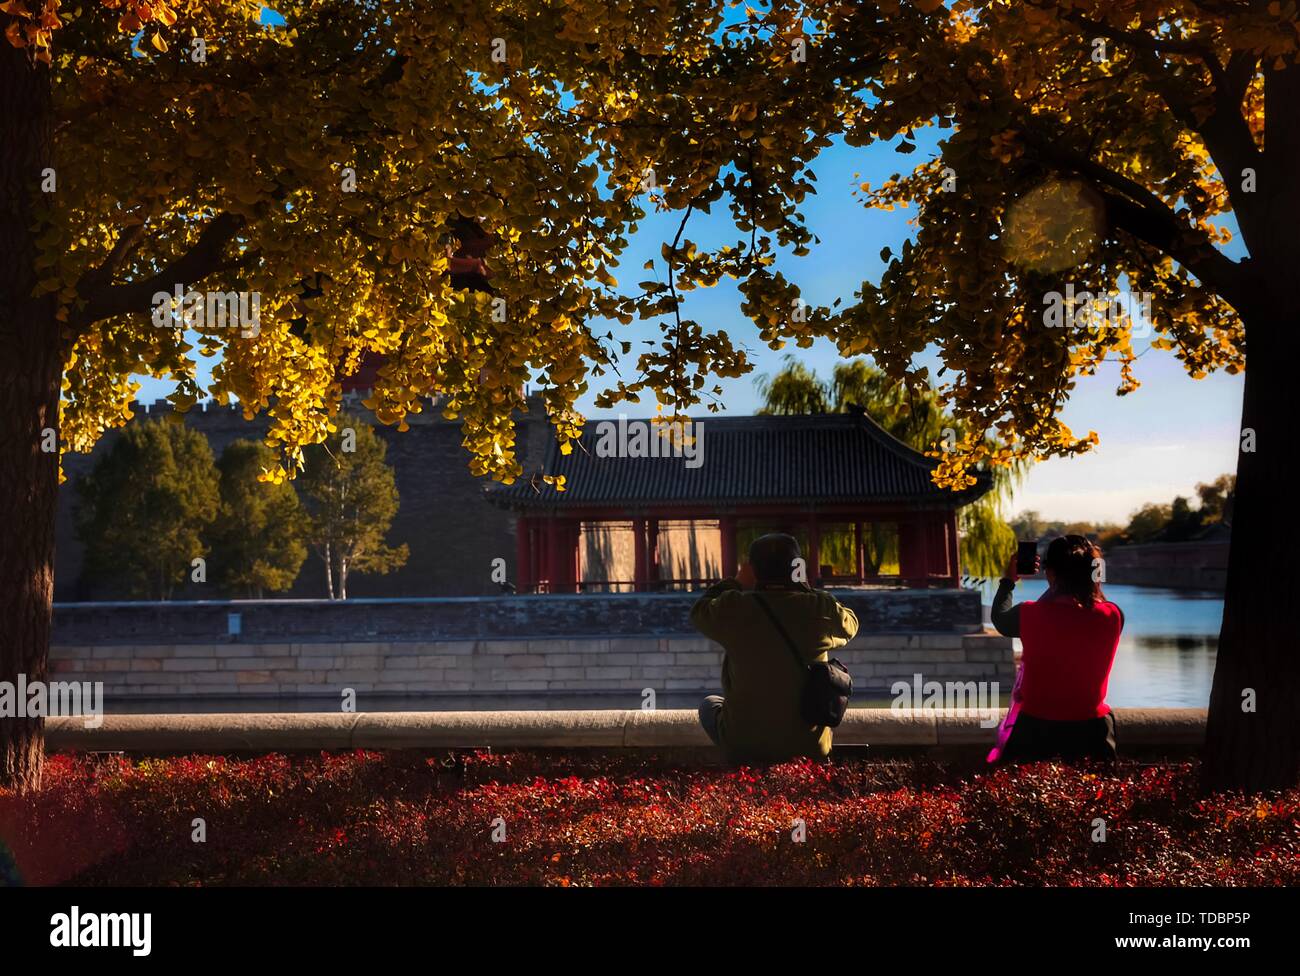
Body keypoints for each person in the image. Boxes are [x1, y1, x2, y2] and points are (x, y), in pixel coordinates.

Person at [691, 533, 859, 763]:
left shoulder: (733, 608)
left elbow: (699, 610)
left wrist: (736, 582)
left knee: (709, 704)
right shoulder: (818, 608)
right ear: (797, 568)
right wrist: (805, 588)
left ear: (753, 569)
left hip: (743, 744)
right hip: (809, 746)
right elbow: (851, 624)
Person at [990, 534, 1124, 763]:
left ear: (1050, 573)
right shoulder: (1113, 615)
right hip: (1094, 732)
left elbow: (1000, 619)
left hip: (1036, 730)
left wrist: (1009, 580)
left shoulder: (1030, 614)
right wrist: (1089, 581)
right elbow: (1094, 600)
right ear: (1096, 572)